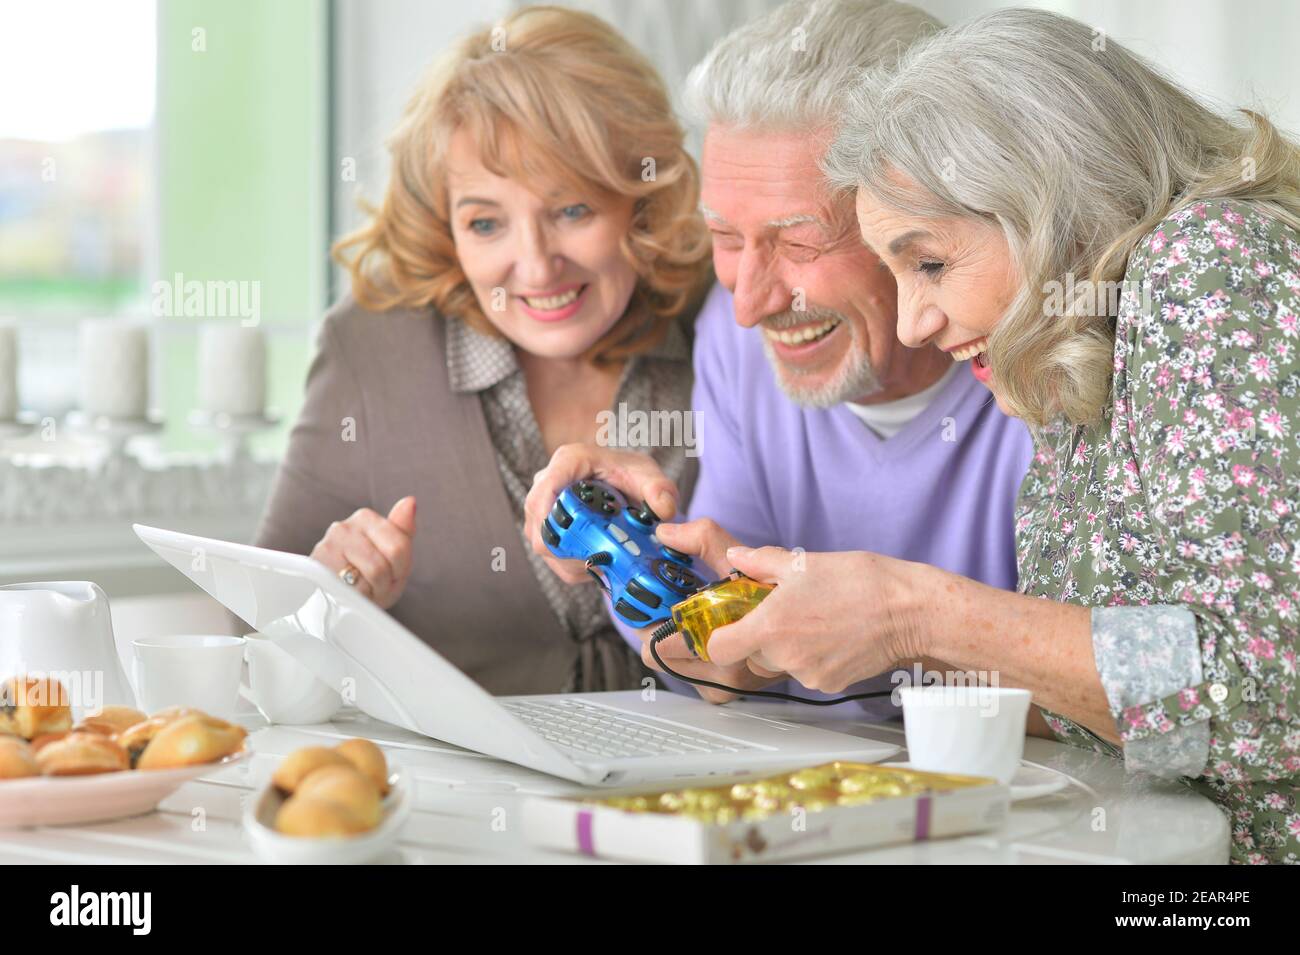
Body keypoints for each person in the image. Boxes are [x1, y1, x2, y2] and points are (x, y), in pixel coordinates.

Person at [711, 8, 1298, 863]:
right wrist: (808, 629)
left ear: (1053, 198)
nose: (914, 322)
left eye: (931, 263)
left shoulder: (1210, 260)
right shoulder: (1071, 360)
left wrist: (916, 613)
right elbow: (1147, 715)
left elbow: (1270, 690)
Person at [526, 0, 1034, 718]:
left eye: (799, 243)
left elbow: (1130, 696)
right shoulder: (733, 343)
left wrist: (904, 630)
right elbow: (722, 675)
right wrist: (632, 555)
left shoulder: (1043, 363)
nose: (749, 304)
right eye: (727, 238)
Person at [254, 6, 712, 694]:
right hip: (453, 796)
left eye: (572, 209)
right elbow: (256, 638)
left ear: (641, 199)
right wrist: (334, 593)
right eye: (486, 222)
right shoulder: (373, 348)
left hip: (707, 787)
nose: (535, 266)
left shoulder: (725, 320)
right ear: (447, 226)